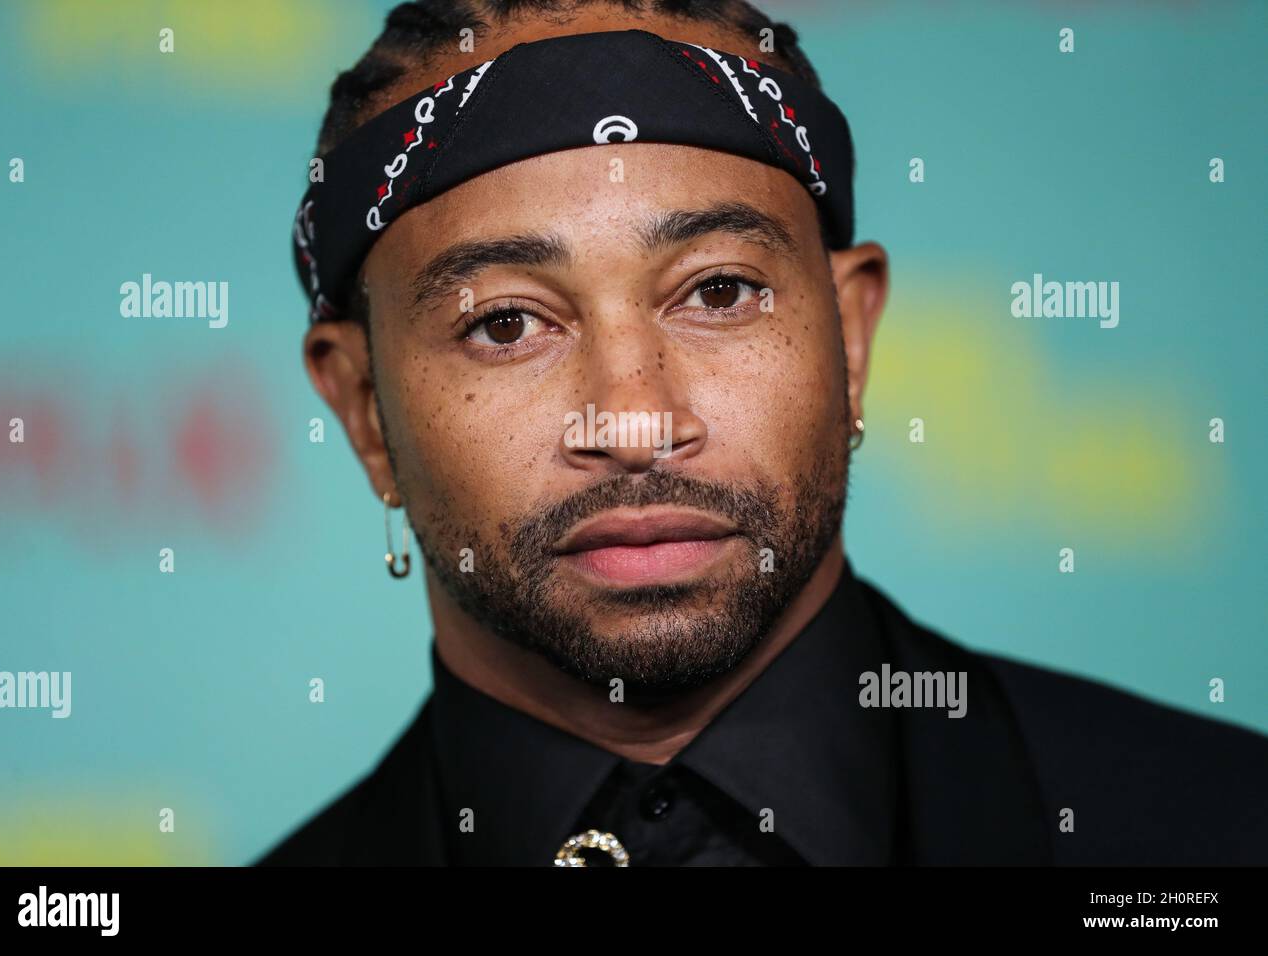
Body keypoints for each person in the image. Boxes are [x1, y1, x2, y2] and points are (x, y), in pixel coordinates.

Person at [258, 0, 1267, 866]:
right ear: (364, 411)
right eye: (506, 323)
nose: (635, 418)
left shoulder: (1219, 826)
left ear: (852, 336)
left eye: (720, 291)